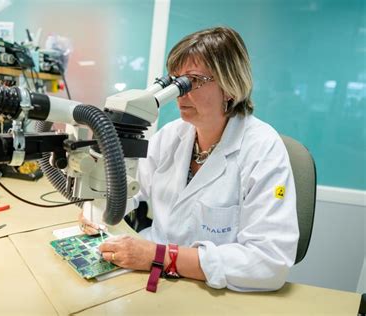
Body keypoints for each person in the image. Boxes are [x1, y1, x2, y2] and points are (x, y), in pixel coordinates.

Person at [79, 26, 299, 292]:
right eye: (175, 82)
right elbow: (129, 189)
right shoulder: (171, 136)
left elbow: (268, 263)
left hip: (215, 292)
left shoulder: (263, 149)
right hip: (152, 277)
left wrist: (159, 256)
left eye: (193, 81)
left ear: (229, 87)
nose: (179, 93)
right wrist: (98, 208)